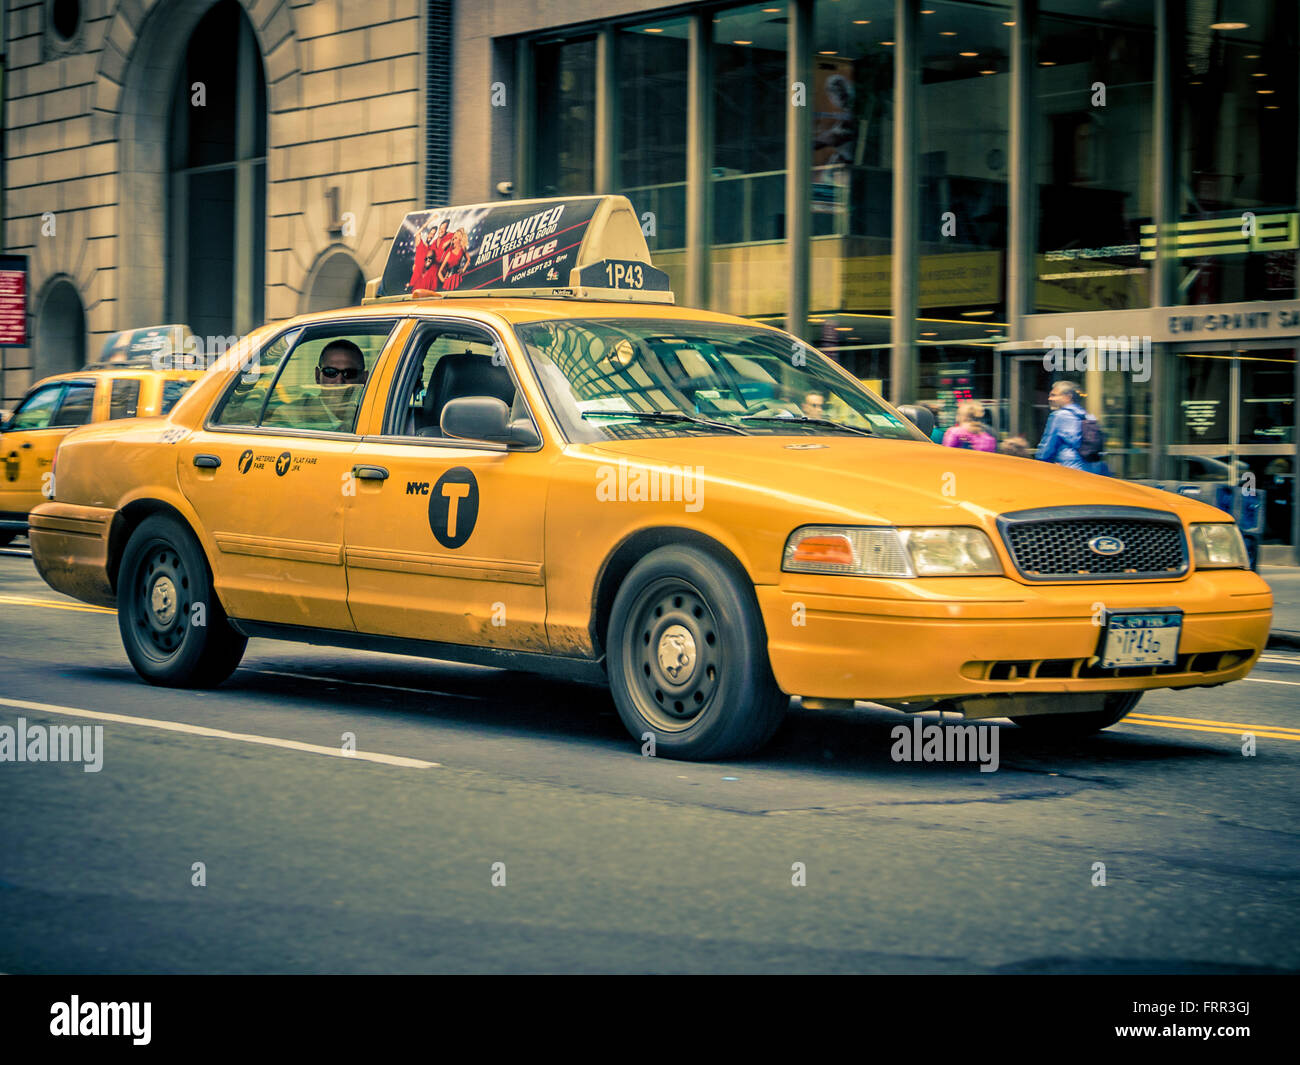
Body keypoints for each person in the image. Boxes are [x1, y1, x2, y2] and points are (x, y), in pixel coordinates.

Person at [1036, 380, 1110, 474]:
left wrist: (1039, 464)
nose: (1050, 398)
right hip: (1093, 470)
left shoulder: (1059, 416)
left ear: (1068, 397)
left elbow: (1046, 448)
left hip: (1070, 469)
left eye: (1054, 395)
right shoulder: (1087, 415)